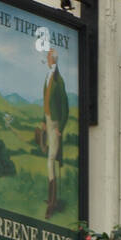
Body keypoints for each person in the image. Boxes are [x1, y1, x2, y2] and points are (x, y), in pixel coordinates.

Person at [42, 46, 69, 221]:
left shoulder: (59, 81)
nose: (47, 59)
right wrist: (43, 121)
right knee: (49, 158)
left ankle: (53, 202)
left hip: (56, 123)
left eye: (48, 57)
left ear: (53, 59)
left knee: (51, 159)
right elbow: (45, 100)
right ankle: (51, 197)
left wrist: (61, 126)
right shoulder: (48, 77)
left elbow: (65, 107)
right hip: (48, 120)